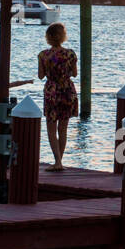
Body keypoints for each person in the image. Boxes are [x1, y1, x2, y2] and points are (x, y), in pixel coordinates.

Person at [37, 22, 79, 171]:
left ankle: (57, 162)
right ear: (63, 36)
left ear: (48, 37)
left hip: (52, 91)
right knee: (63, 129)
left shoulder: (43, 55)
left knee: (51, 129)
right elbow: (74, 74)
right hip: (67, 90)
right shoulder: (71, 54)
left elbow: (41, 76)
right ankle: (59, 161)